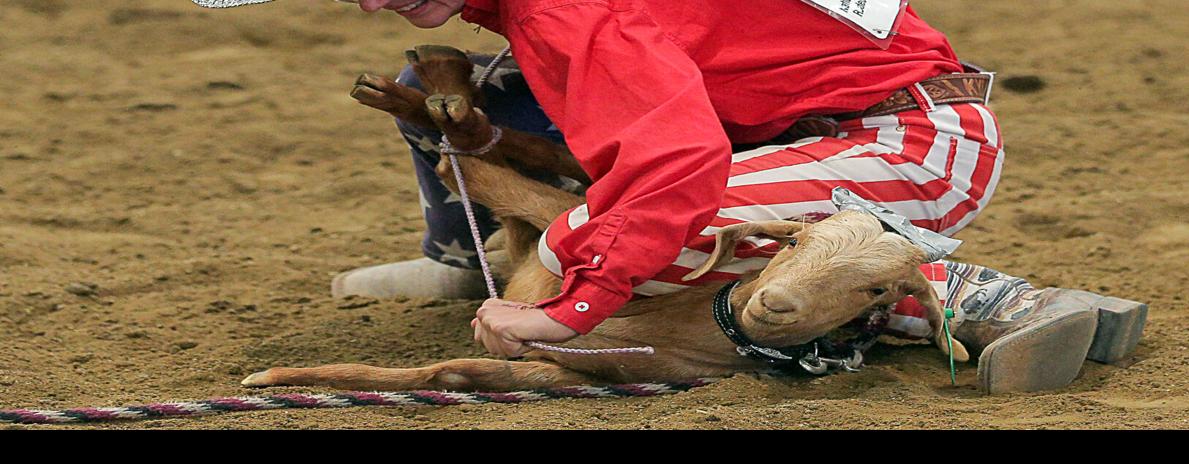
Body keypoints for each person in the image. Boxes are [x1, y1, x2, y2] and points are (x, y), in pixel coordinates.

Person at [191, 0, 1105, 393]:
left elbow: (671, 153)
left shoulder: (569, 9)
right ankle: (476, 265)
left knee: (587, 253)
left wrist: (577, 303)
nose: (365, 3)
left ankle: (964, 295)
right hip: (838, 123)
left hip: (897, 141)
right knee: (506, 118)